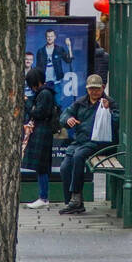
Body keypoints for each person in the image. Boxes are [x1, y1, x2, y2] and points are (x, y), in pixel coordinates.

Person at [57, 74, 118, 216]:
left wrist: (108, 111)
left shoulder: (109, 103)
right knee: (65, 167)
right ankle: (72, 201)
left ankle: (76, 197)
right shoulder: (80, 103)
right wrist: (69, 119)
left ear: (102, 88)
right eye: (91, 89)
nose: (94, 92)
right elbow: (64, 115)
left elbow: (117, 121)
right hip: (80, 141)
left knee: (79, 156)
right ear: (87, 89)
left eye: (97, 89)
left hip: (99, 142)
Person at [22, 68, 58, 209]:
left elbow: (38, 113)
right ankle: (43, 196)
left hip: (42, 131)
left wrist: (27, 102)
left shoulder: (44, 94)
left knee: (41, 166)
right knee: (42, 166)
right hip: (44, 130)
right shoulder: (46, 92)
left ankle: (43, 197)